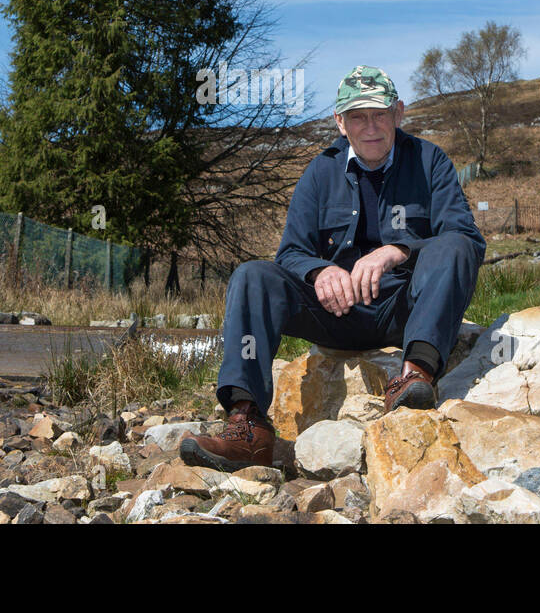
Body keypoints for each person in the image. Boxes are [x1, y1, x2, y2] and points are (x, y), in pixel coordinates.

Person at [180, 65, 486, 471]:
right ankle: (247, 423)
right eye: (358, 116)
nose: (370, 126)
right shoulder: (320, 171)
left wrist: (396, 249)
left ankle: (415, 379)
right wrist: (319, 272)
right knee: (253, 275)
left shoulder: (430, 161)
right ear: (340, 123)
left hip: (405, 310)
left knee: (454, 246)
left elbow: (466, 237)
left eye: (380, 113)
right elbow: (289, 253)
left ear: (399, 113)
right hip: (335, 312)